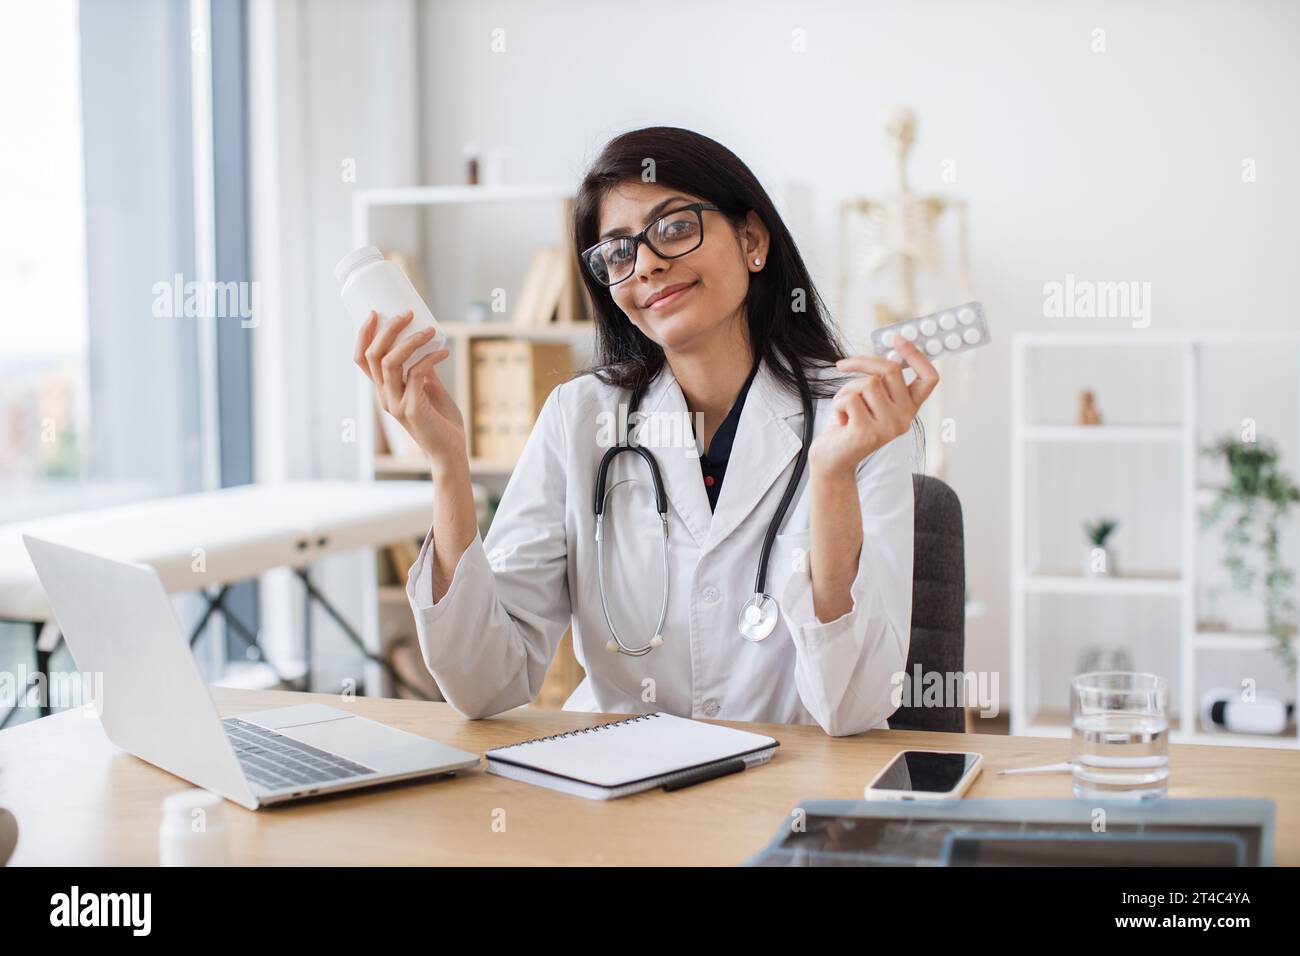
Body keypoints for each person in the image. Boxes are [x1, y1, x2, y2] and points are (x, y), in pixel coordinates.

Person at [354, 126, 939, 735]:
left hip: (787, 797)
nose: (649, 264)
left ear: (753, 239)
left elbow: (855, 707)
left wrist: (833, 476)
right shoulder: (578, 418)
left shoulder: (857, 424)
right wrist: (447, 463)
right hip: (619, 792)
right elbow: (485, 681)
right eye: (618, 252)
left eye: (676, 227)